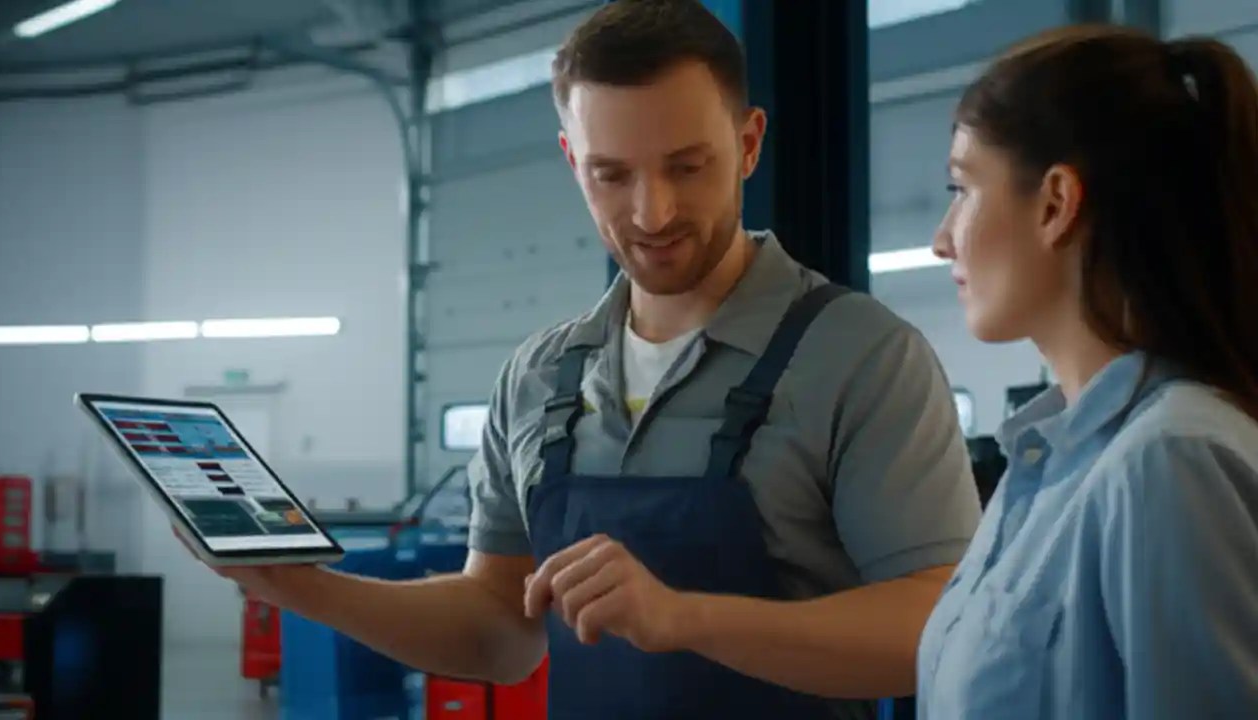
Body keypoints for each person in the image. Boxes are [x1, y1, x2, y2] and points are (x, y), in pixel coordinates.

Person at [195, 2, 980, 717]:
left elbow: (941, 624)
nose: (653, 211)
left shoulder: (862, 358)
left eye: (686, 165)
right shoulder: (539, 377)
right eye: (612, 174)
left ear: (747, 145)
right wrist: (305, 589)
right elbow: (501, 634)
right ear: (573, 161)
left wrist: (685, 617)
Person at [922, 24, 1258, 719]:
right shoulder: (1046, 463)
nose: (943, 238)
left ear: (1055, 204)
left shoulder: (1170, 459)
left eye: (962, 187)